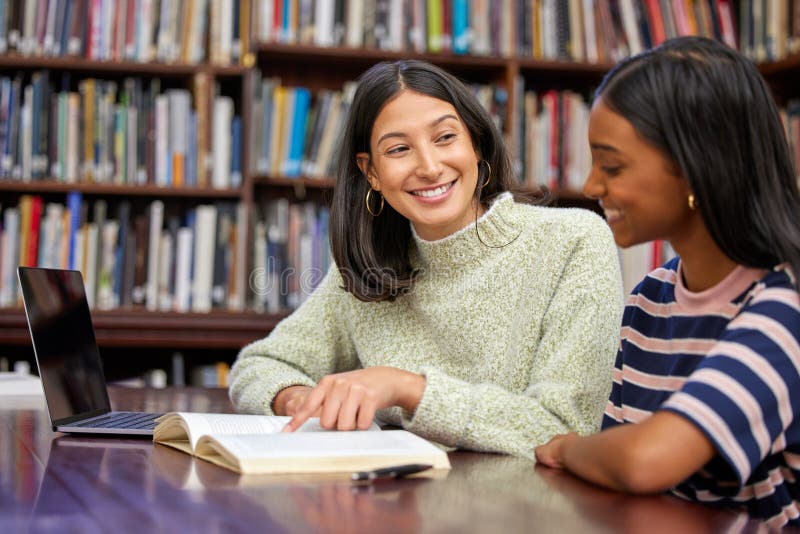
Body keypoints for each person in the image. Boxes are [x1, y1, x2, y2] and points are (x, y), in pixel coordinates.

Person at [229, 59, 623, 458]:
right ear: (372, 173)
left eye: (446, 137)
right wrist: (300, 401)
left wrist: (408, 388)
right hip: (394, 504)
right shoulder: (369, 269)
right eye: (399, 149)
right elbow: (260, 364)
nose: (430, 167)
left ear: (477, 145)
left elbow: (566, 431)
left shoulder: (574, 241)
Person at [534, 36, 800, 528]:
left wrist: (571, 450)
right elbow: (615, 468)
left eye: (612, 165)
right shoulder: (647, 300)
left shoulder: (784, 311)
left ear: (697, 169)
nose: (592, 187)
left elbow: (641, 461)